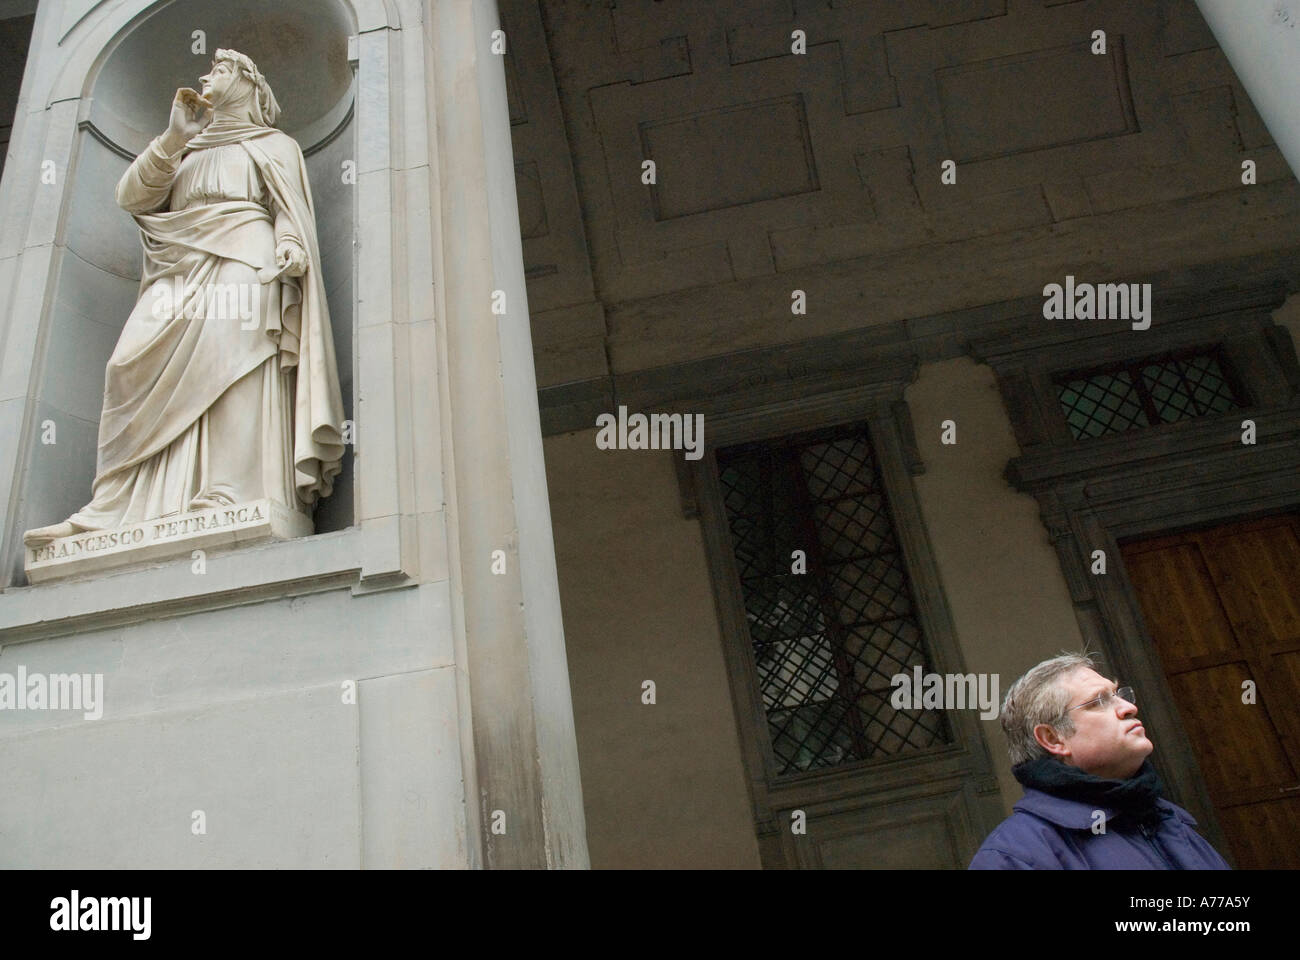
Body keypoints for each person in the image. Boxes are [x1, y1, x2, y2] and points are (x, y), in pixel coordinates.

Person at [24, 49, 343, 546]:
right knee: (126, 364)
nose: (204, 74)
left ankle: (228, 491)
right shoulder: (185, 148)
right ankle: (113, 507)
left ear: (247, 82)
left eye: (218, 68)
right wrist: (174, 136)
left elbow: (289, 208)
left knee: (232, 364)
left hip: (244, 255)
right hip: (178, 267)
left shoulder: (274, 145)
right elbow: (132, 197)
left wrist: (289, 242)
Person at [969, 652, 1230, 869]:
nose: (1129, 707)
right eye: (1098, 701)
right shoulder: (1012, 857)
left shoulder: (1168, 819)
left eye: (1118, 694)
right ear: (1053, 738)